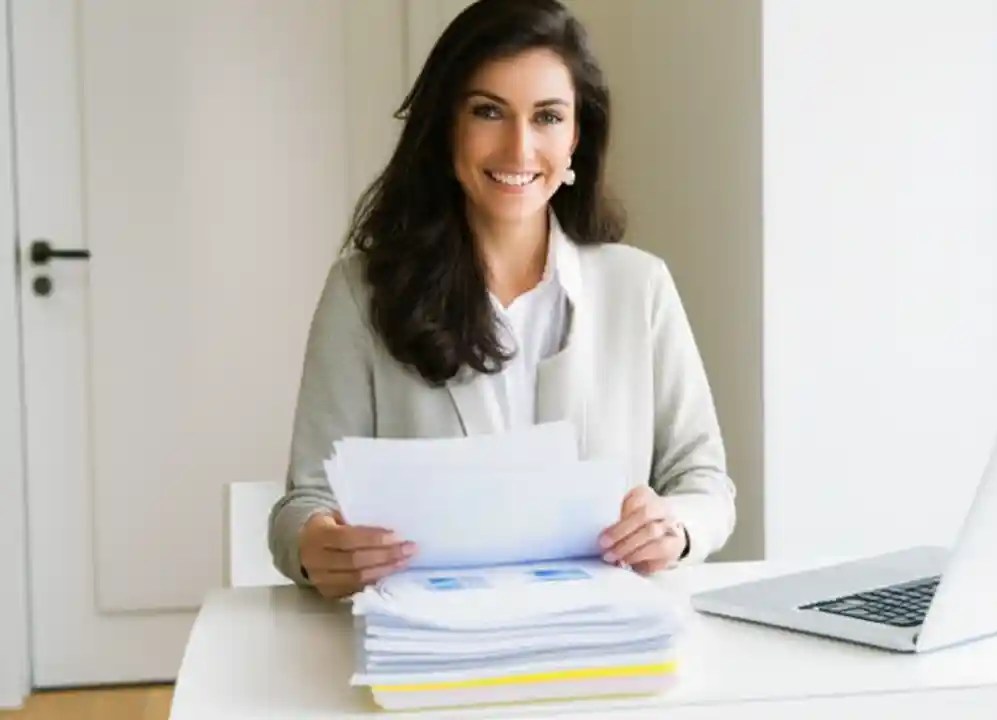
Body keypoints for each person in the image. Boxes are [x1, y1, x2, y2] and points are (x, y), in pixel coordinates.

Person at [268, 0, 736, 599]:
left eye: (547, 117)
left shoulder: (639, 288)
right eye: (489, 112)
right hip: (430, 647)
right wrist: (313, 546)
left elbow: (705, 483)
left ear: (576, 137)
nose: (519, 150)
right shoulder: (360, 294)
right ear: (445, 127)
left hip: (603, 646)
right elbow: (304, 504)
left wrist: (674, 527)